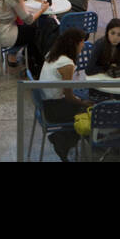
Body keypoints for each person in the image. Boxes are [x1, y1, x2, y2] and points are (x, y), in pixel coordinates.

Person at [38, 27, 89, 161]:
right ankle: (62, 141)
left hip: (46, 103)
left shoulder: (53, 54)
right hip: (54, 108)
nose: (83, 46)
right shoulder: (67, 64)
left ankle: (62, 138)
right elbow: (69, 96)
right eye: (82, 42)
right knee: (88, 113)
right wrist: (84, 102)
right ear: (75, 44)